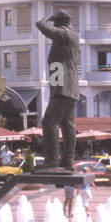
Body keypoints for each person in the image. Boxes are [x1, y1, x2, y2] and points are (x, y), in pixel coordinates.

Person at [36, 11, 82, 168]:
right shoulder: (69, 36)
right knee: (67, 124)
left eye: (55, 21)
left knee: (49, 122)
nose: (53, 24)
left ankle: (51, 161)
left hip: (64, 87)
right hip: (64, 87)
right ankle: (67, 161)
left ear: (59, 22)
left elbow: (41, 26)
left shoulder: (65, 34)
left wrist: (47, 18)